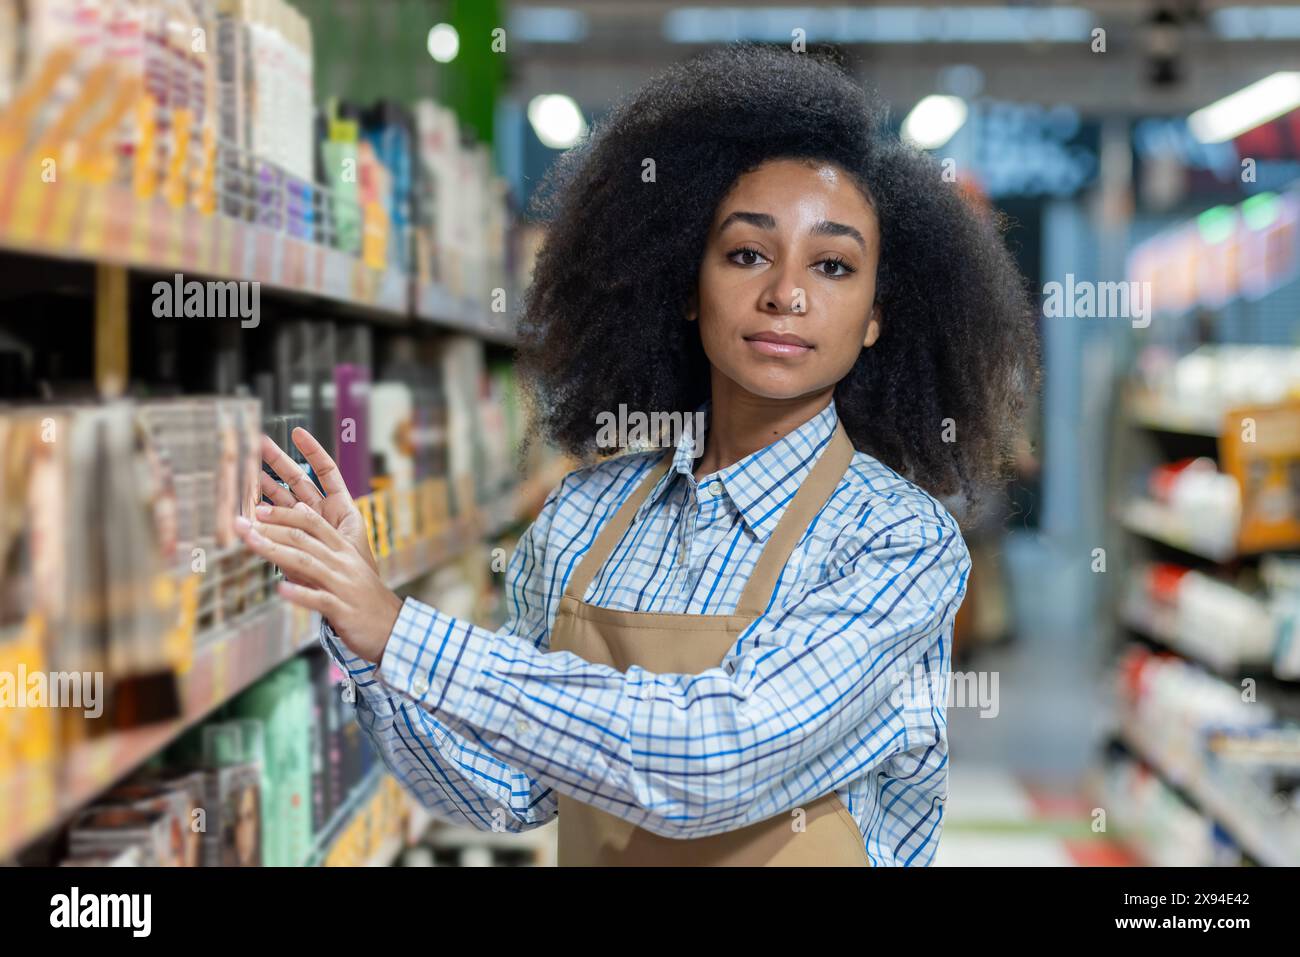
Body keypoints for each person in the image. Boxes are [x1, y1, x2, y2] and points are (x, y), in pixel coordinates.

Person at [234, 44, 1039, 866]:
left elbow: (709, 761)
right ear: (686, 286)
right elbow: (508, 786)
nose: (785, 294)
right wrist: (357, 628)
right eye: (747, 253)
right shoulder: (585, 517)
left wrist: (403, 631)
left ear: (876, 315)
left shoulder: (898, 542)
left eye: (833, 266)